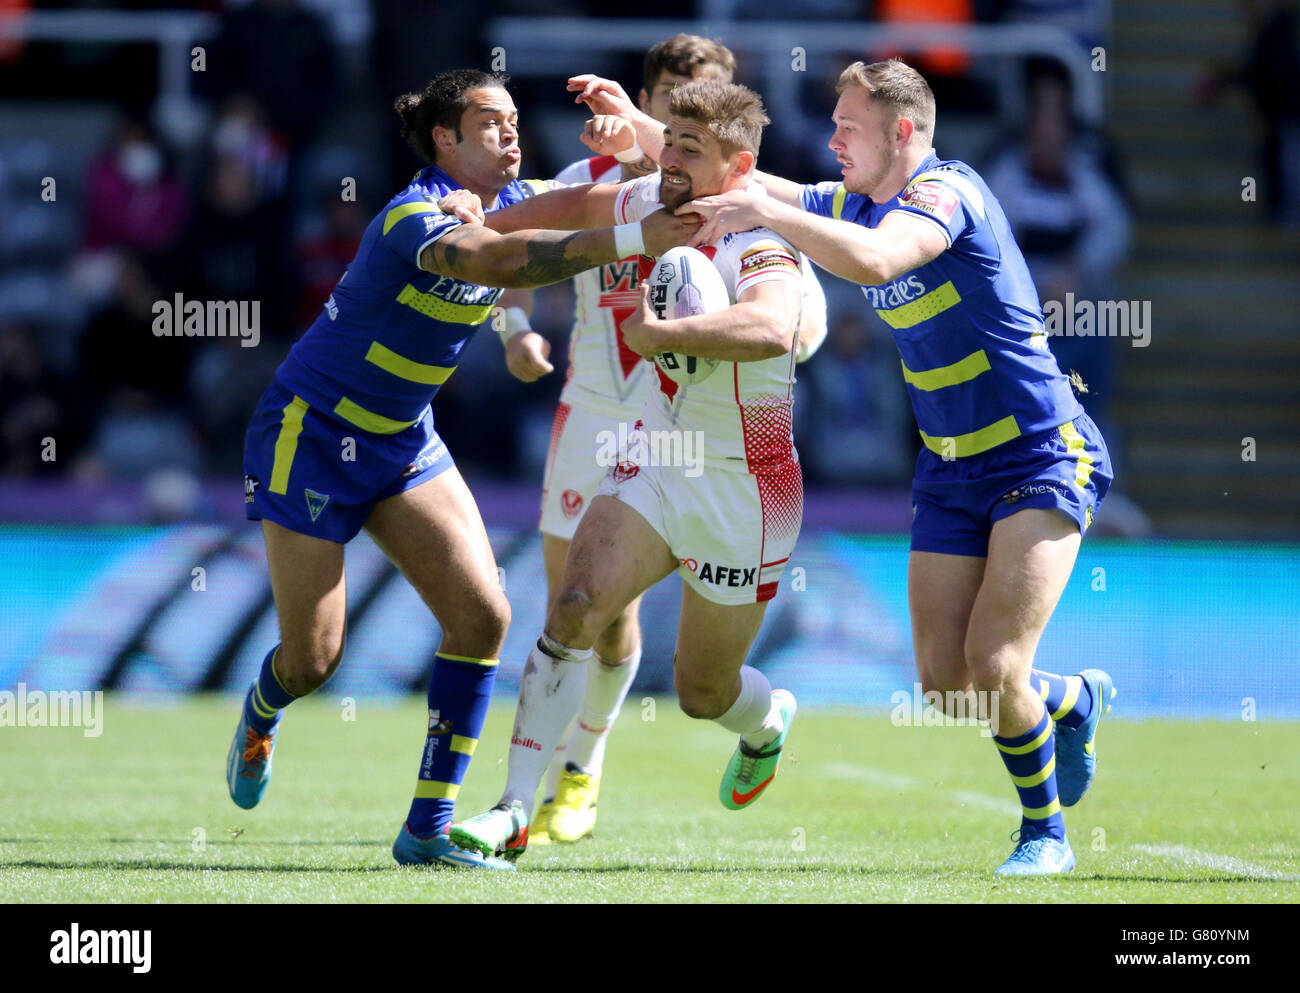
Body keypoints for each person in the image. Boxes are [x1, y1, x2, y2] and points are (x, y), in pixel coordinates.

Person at [579, 58, 1116, 875]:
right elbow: (757, 178)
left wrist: (766, 208)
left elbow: (872, 260)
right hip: (948, 468)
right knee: (946, 684)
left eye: (847, 126)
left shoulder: (946, 193)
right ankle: (1070, 699)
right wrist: (646, 133)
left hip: (1039, 451)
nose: (830, 138)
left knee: (995, 663)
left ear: (902, 132)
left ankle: (1045, 833)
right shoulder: (856, 202)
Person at [226, 68, 697, 872]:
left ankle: (427, 828)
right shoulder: (414, 215)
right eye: (489, 122)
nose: (511, 133)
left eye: (514, 120)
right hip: (311, 432)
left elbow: (620, 195)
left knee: (483, 616)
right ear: (445, 139)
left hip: (403, 439)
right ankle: (265, 707)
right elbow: (504, 263)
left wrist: (637, 145)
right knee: (313, 660)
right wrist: (633, 239)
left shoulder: (516, 197)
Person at [442, 81, 808, 863]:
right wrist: (483, 224)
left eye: (689, 149)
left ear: (738, 167)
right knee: (575, 606)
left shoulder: (763, 238)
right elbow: (570, 213)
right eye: (667, 139)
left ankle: (768, 717)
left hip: (749, 483)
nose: (666, 160)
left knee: (702, 692)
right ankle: (513, 809)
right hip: (655, 454)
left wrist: (664, 330)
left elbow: (775, 324)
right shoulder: (653, 198)